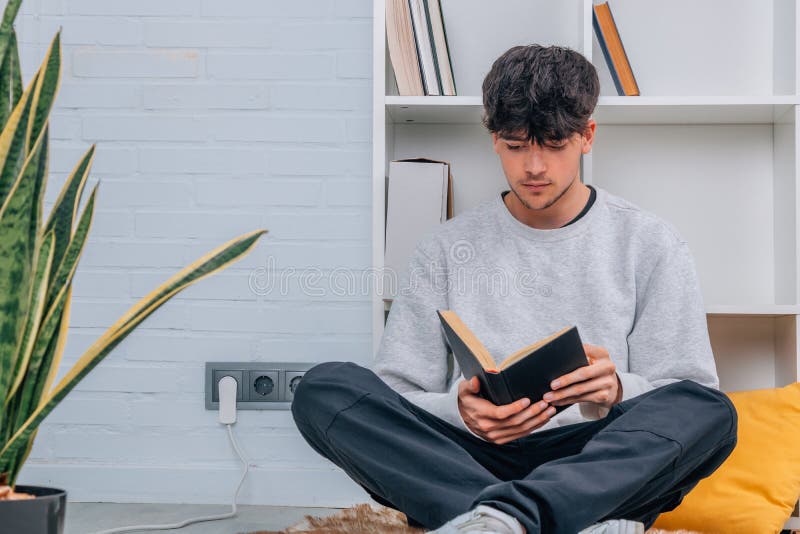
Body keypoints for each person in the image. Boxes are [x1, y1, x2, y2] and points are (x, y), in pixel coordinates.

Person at [291, 44, 737, 534]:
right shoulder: (445, 247)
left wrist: (614, 390)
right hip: (469, 458)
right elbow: (396, 391)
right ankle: (545, 520)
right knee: (323, 388)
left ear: (587, 136)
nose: (535, 167)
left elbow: (684, 394)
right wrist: (460, 411)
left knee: (710, 411)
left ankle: (501, 519)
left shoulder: (650, 243)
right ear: (494, 140)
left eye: (553, 144)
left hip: (595, 459)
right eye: (517, 145)